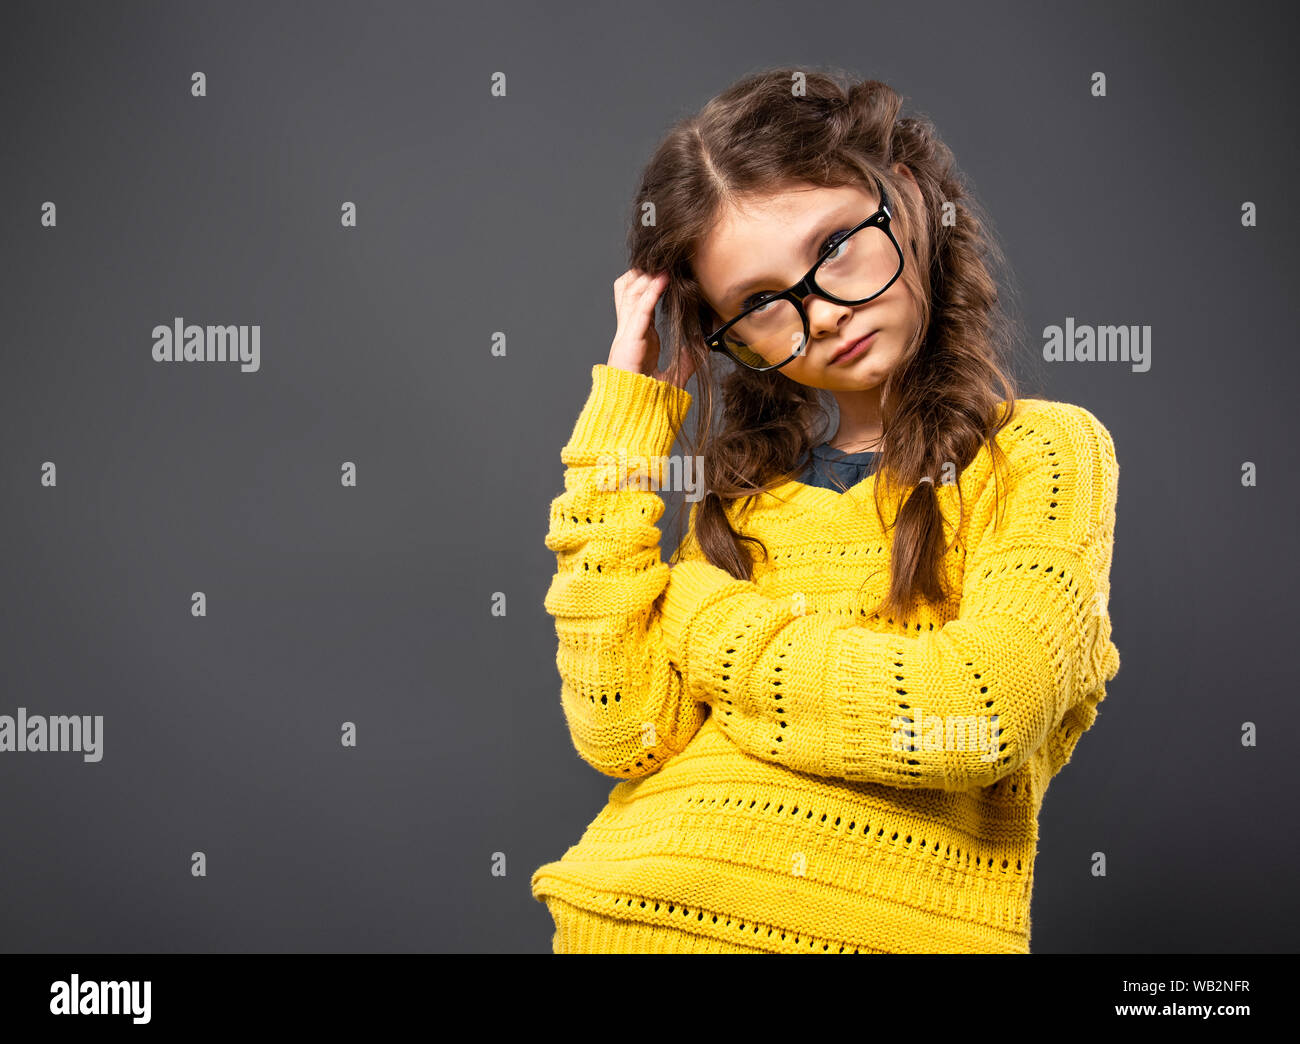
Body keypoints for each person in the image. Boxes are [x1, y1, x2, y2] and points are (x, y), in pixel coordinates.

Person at [530, 67, 1120, 954]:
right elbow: (623, 730)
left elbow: (979, 712)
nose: (822, 311)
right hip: (624, 913)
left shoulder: (1039, 453)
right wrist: (626, 418)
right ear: (733, 339)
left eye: (837, 245)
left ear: (910, 198)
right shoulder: (743, 504)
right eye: (762, 303)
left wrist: (695, 612)